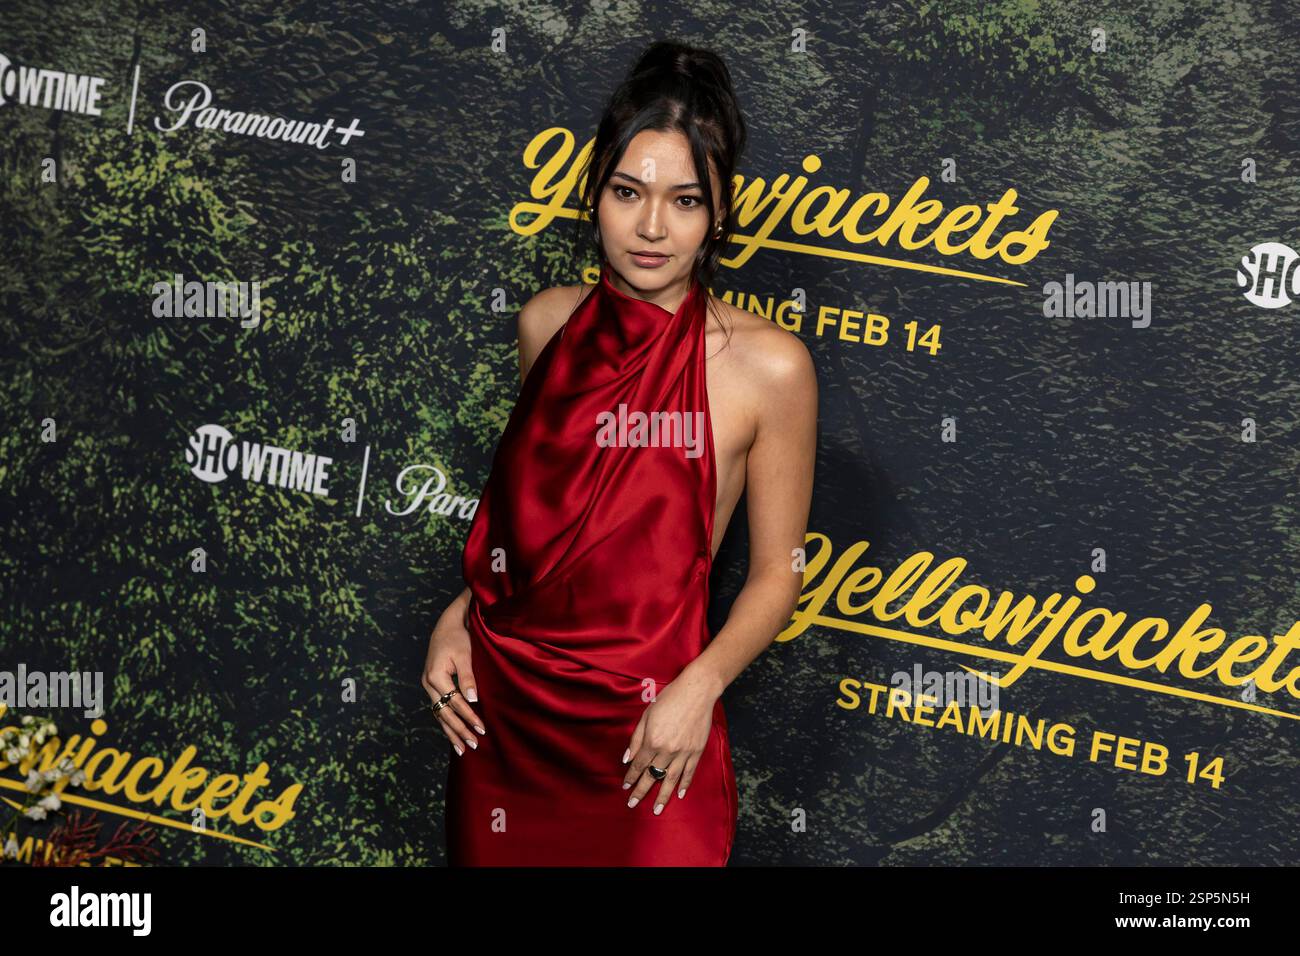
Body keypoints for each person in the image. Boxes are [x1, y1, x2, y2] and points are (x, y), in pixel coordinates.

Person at [423, 39, 818, 866]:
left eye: (684, 201)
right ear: (595, 193)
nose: (650, 227)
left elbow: (779, 574)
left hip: (654, 731)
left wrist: (697, 691)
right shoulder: (545, 324)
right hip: (507, 723)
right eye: (627, 192)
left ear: (718, 212)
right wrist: (458, 618)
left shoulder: (769, 367)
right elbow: (533, 520)